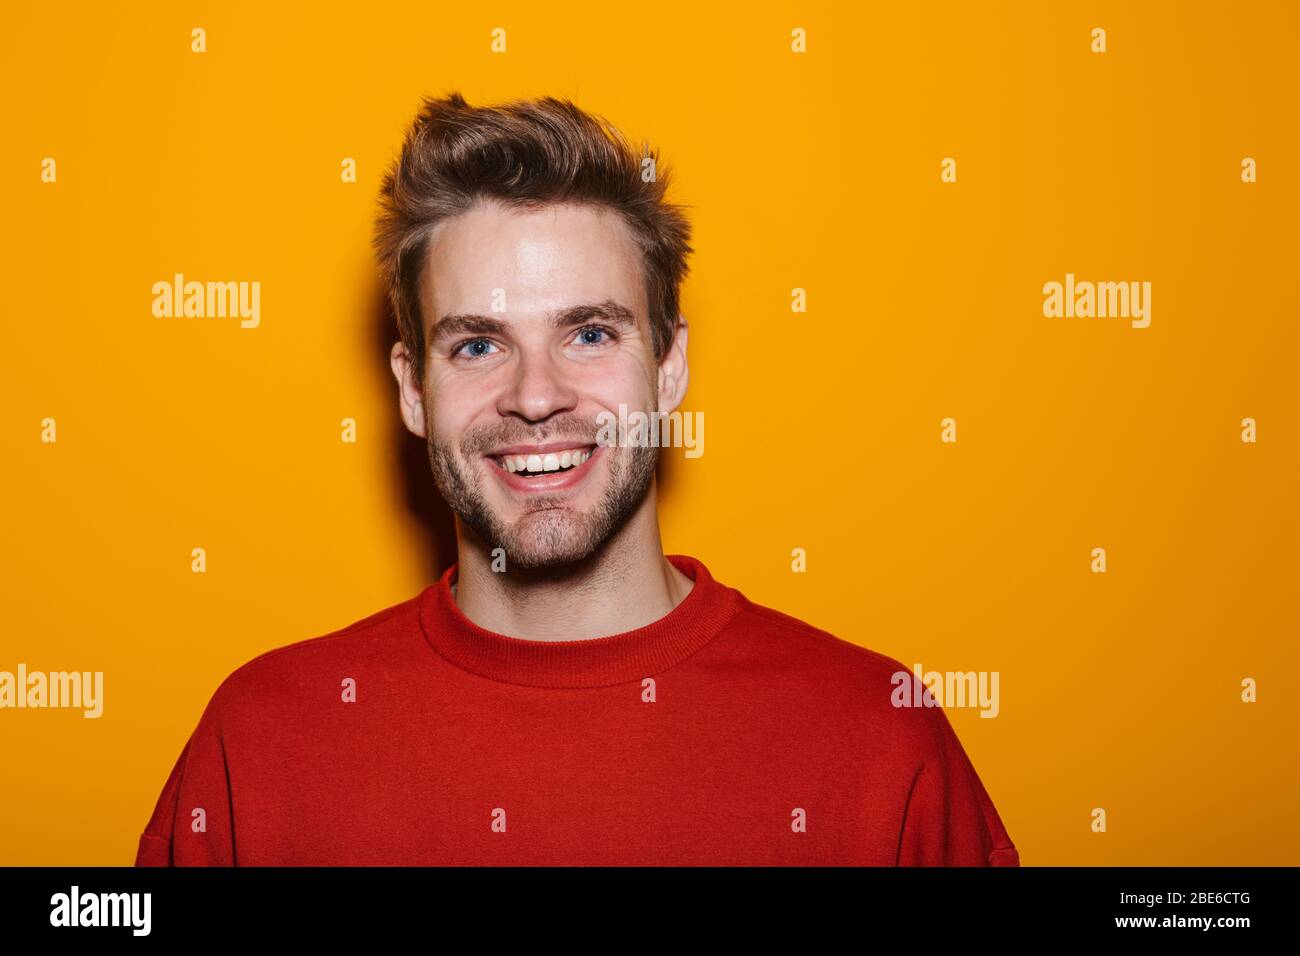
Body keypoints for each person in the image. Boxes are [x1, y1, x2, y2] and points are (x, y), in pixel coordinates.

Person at [134, 91, 1019, 866]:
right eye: (478, 344)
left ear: (669, 368)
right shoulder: (258, 743)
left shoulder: (876, 736)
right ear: (412, 388)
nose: (535, 397)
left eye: (589, 333)